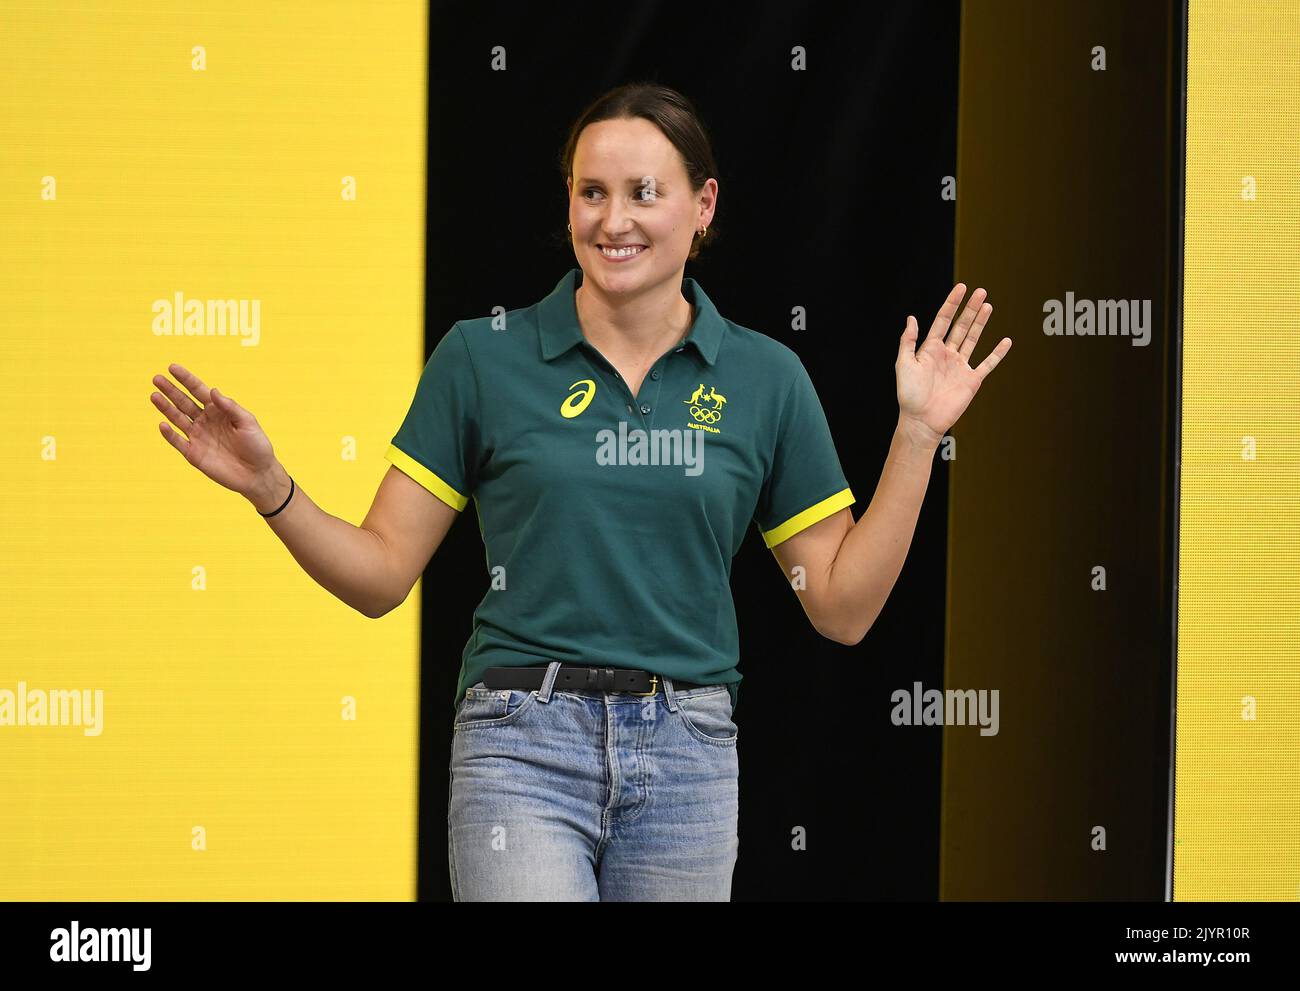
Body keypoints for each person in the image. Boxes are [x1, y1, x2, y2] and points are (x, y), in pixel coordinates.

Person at [149, 82, 1011, 901]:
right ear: (567, 204)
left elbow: (841, 607)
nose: (614, 219)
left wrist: (917, 433)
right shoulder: (482, 358)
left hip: (689, 753)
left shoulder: (766, 377)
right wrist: (272, 487)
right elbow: (380, 575)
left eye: (644, 191)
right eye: (591, 192)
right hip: (520, 744)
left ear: (703, 206)